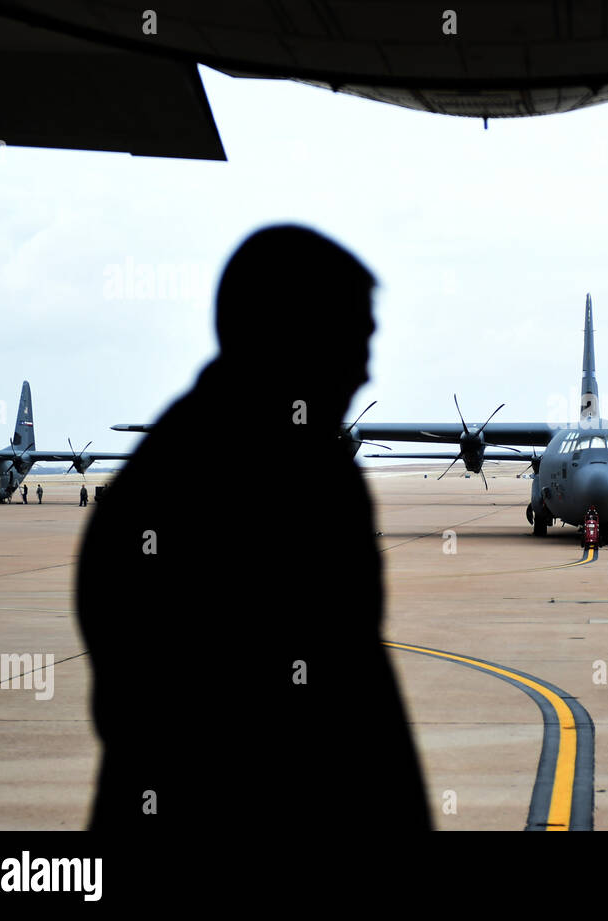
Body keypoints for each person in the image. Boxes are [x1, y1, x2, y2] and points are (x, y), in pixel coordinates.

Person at [76, 225, 431, 840]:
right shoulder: (278, 478)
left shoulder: (197, 462)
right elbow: (338, 697)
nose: (367, 372)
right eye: (354, 341)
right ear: (293, 335)